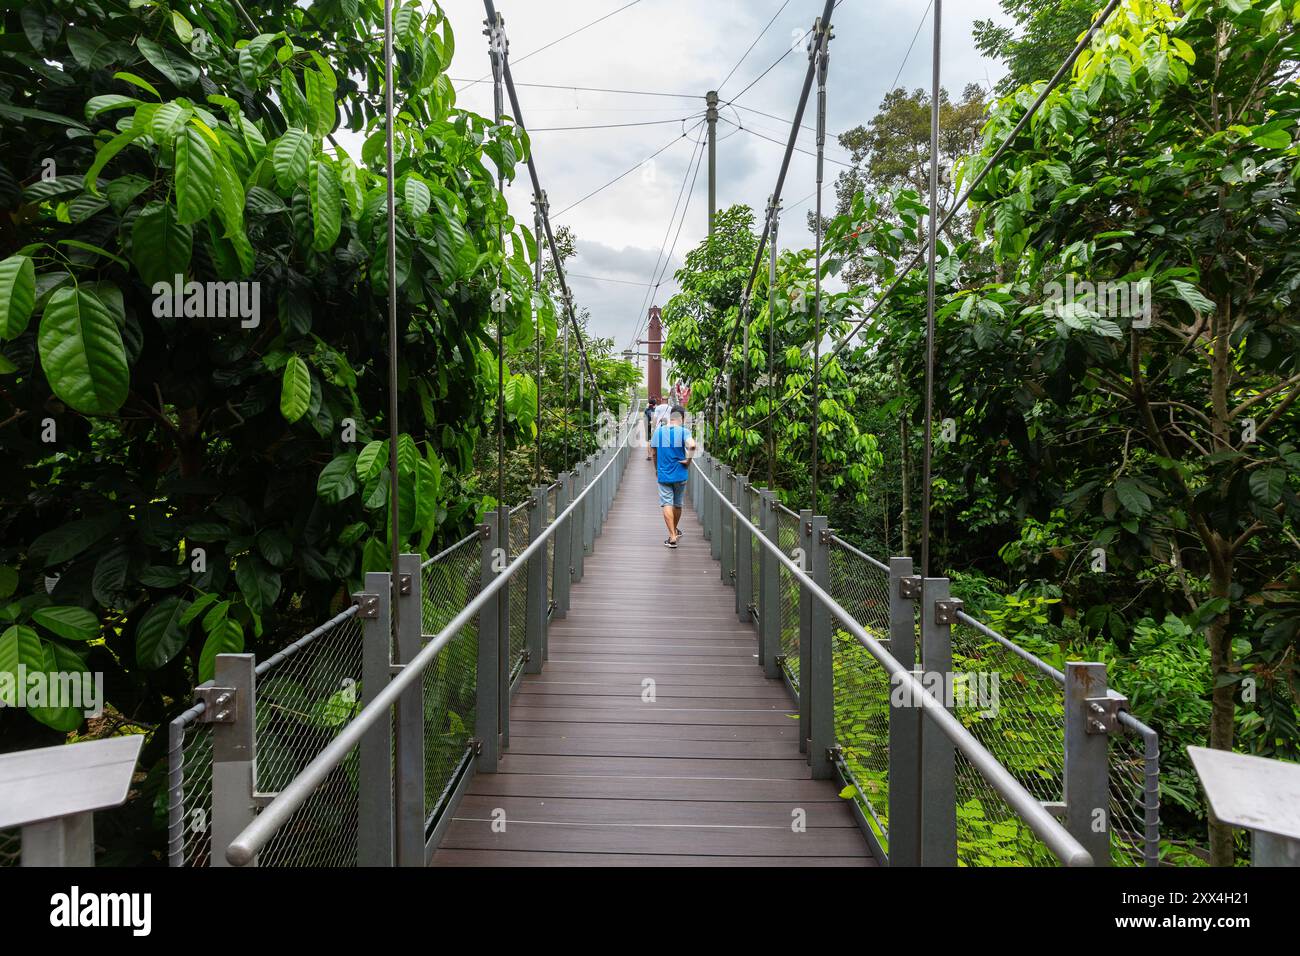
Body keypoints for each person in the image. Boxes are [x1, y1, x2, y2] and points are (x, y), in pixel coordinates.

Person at [650, 405, 694, 548]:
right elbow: (692, 446)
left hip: (664, 473)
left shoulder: (659, 431)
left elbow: (654, 453)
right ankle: (674, 530)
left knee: (666, 503)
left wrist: (657, 469)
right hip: (680, 473)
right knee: (677, 503)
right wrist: (688, 461)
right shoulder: (684, 432)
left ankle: (672, 535)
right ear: (682, 418)